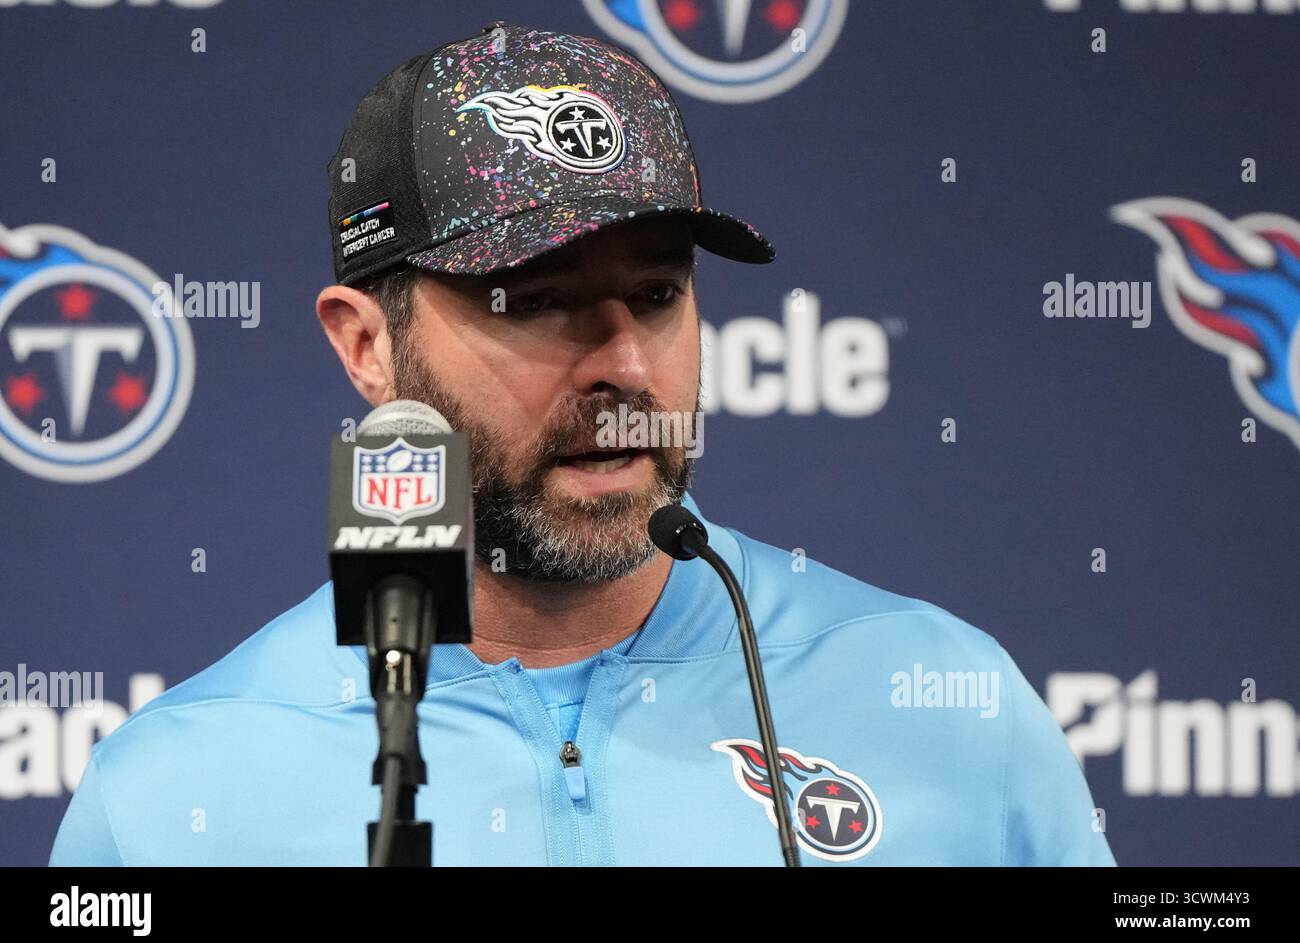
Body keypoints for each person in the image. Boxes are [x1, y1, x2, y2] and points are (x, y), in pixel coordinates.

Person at [50, 21, 1115, 866]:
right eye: (535, 302)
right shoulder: (174, 792)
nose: (623, 365)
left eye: (655, 294)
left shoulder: (948, 702)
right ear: (367, 344)